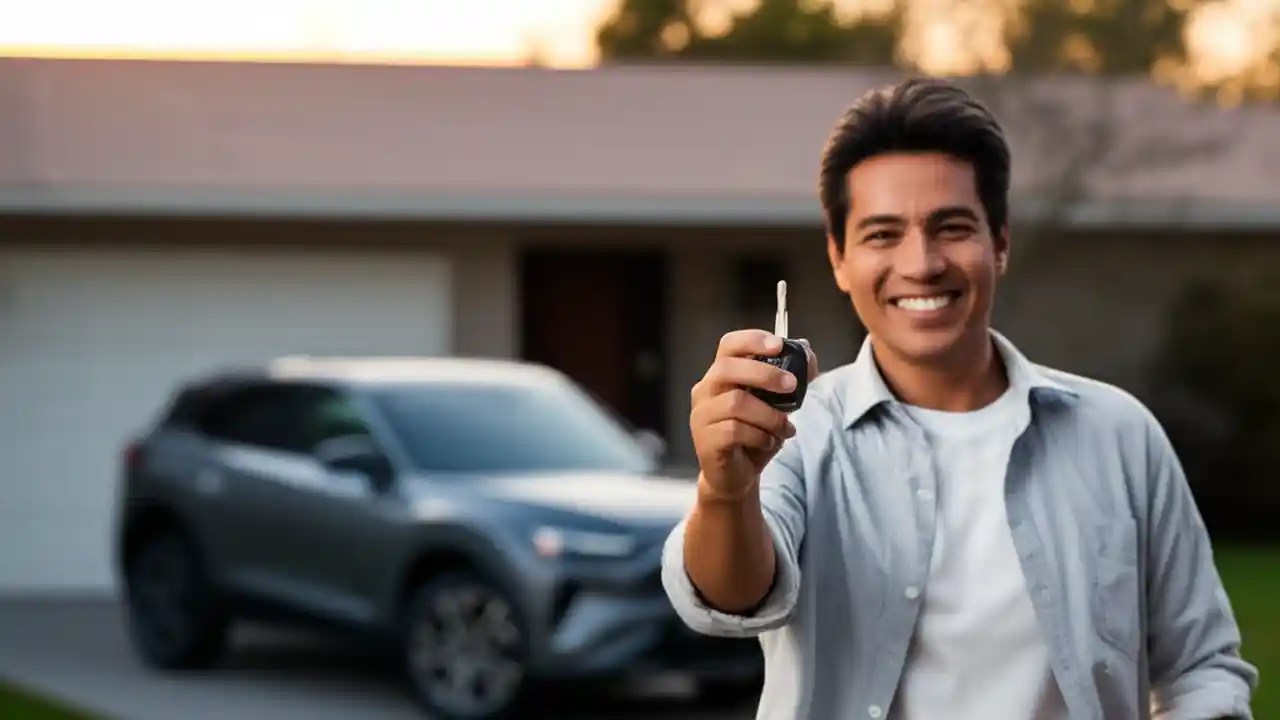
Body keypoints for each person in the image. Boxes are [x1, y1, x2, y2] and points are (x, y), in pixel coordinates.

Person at [662, 77, 1257, 720]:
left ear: (999, 243)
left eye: (950, 227)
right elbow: (730, 599)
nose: (920, 264)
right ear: (839, 257)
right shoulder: (790, 432)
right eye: (883, 234)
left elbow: (1201, 669)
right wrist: (725, 490)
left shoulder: (1120, 435)